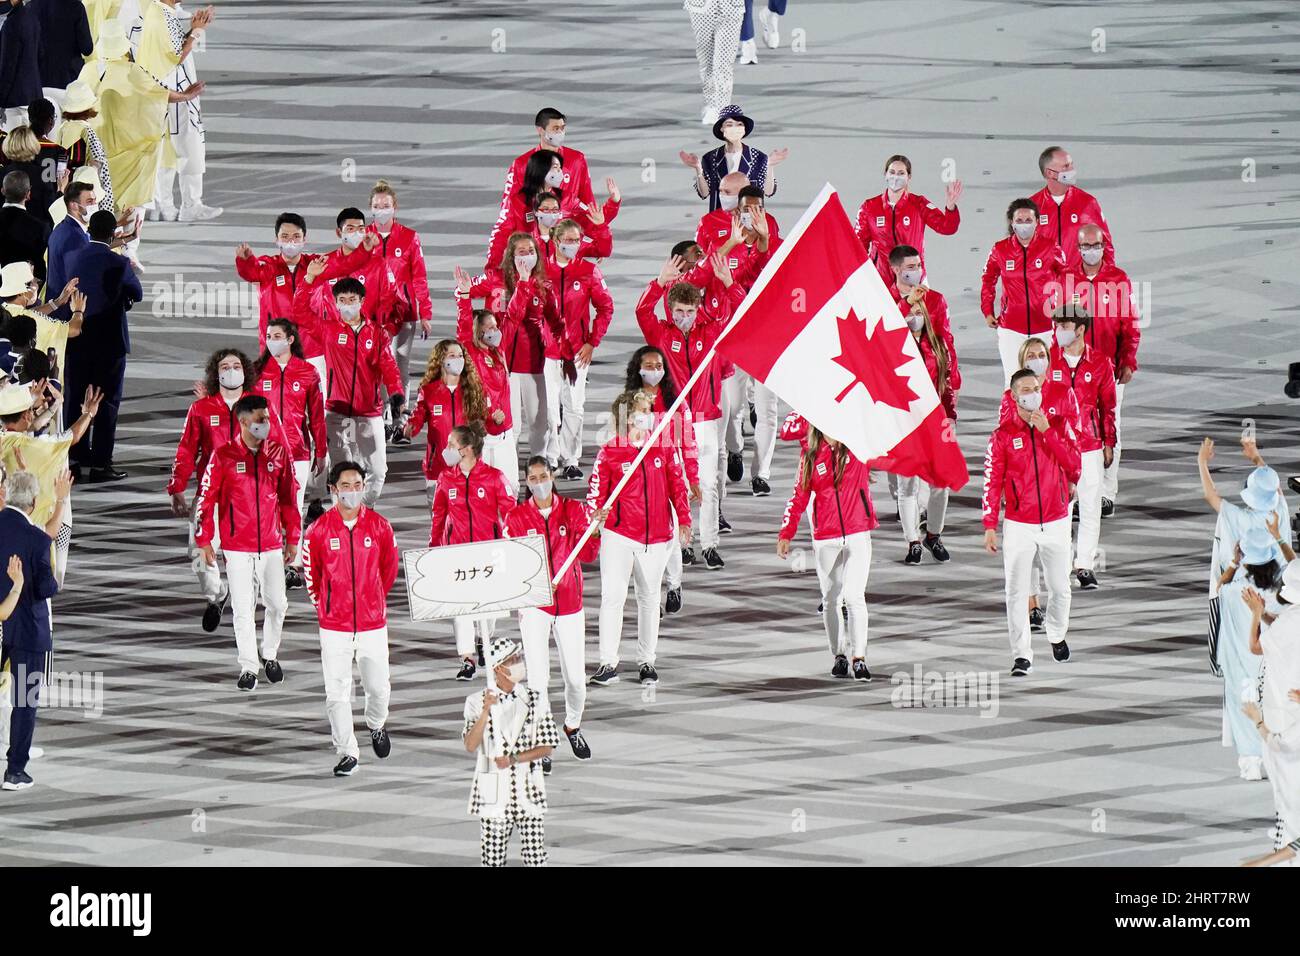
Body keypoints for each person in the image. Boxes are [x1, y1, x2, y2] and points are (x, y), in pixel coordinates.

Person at [168, 347, 288, 631]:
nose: (230, 370)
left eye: (236, 365)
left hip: (250, 498)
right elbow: (186, 451)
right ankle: (216, 596)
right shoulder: (201, 409)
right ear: (215, 373)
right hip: (210, 496)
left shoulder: (260, 408)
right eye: (224, 366)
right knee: (198, 551)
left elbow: (280, 448)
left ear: (245, 372)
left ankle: (250, 616)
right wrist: (177, 487)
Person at [635, 252, 740, 571]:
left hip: (706, 420)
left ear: (698, 310)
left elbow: (742, 314)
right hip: (675, 422)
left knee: (707, 484)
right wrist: (659, 282)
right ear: (671, 310)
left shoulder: (711, 333)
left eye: (689, 312)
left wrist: (729, 283)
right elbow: (641, 311)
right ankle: (683, 544)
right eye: (678, 311)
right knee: (676, 486)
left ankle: (709, 545)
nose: (683, 317)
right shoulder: (662, 335)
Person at [193, 394, 299, 691]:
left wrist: (293, 537)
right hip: (237, 547)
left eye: (266, 418)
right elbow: (206, 500)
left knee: (278, 604)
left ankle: (270, 653)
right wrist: (203, 540)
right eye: (260, 420)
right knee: (243, 607)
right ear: (242, 421)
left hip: (271, 545)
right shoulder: (223, 456)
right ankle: (249, 666)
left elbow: (290, 498)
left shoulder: (278, 453)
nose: (266, 424)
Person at [587, 390, 692, 687]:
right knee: (613, 598)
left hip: (656, 538)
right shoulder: (610, 451)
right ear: (627, 415)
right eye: (642, 410)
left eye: (650, 409)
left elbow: (677, 486)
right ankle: (608, 663)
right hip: (618, 536)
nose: (649, 415)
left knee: (648, 599)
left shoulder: (664, 447)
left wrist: (684, 519)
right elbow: (596, 492)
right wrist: (595, 515)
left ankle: (647, 662)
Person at [302, 460, 399, 777]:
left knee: (379, 688)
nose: (353, 492)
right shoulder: (317, 531)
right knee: (337, 692)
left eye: (358, 485)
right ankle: (347, 751)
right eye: (346, 486)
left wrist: (374, 601)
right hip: (334, 627)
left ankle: (376, 725)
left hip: (373, 624)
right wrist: (326, 607)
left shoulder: (380, 526)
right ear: (333, 489)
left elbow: (389, 569)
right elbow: (311, 575)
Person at [982, 368, 1082, 676]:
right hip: (1019, 524)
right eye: (1024, 389)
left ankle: (1056, 633)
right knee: (1015, 591)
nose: (1032, 392)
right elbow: (992, 479)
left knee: (1060, 588)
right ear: (1014, 396)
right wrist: (989, 523)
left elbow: (1075, 467)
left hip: (1056, 521)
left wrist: (1047, 432)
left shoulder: (1060, 425)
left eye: (1035, 387)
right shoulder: (1002, 435)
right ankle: (1021, 655)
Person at [505, 457, 597, 767]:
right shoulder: (515, 518)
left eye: (544, 475)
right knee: (538, 680)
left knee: (576, 680)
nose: (539, 482)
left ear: (552, 476)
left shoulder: (573, 510)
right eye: (533, 478)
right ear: (527, 483)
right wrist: (536, 585)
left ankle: (572, 725)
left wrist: (595, 531)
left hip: (570, 604)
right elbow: (511, 563)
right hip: (535, 607)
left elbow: (587, 554)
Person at [292, 272, 404, 507]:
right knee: (341, 471)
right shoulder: (328, 330)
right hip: (336, 412)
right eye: (341, 300)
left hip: (369, 413)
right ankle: (341, 515)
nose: (347, 305)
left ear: (362, 301)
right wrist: (309, 279)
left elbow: (389, 366)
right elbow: (299, 310)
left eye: (352, 299)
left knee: (378, 470)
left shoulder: (377, 333)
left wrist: (396, 394)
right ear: (335, 302)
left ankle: (363, 508)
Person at [776, 425, 877, 681]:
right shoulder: (810, 453)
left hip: (857, 532)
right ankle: (839, 655)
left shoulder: (858, 443)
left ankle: (860, 658)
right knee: (831, 599)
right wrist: (786, 533)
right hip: (826, 538)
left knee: (855, 597)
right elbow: (798, 495)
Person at [89, 24, 204, 221]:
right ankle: (127, 244)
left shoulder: (91, 70)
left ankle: (104, 237)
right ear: (124, 48)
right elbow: (161, 94)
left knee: (100, 200)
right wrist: (186, 95)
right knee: (131, 205)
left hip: (98, 146)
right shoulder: (132, 71)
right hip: (129, 148)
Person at [462, 637, 560, 867]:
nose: (519, 663)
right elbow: (469, 745)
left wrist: (514, 759)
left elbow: (548, 746)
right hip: (492, 790)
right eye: (513, 659)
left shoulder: (535, 699)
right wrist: (486, 712)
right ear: (498, 668)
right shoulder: (476, 702)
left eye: (519, 658)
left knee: (535, 858)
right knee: (492, 860)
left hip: (529, 789)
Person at [429, 422, 516, 681]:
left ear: (466, 449)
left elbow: (511, 511)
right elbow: (438, 513)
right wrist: (435, 546)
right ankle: (466, 658)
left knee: (488, 606)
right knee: (461, 608)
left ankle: (483, 639)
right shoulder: (446, 478)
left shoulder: (494, 477)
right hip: (457, 551)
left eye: (451, 445)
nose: (447, 449)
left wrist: (512, 544)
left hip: (488, 551)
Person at [459, 234, 555, 464]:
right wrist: (462, 293)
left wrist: (560, 354)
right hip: (501, 366)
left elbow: (557, 323)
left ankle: (538, 470)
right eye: (521, 251)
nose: (526, 256)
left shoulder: (542, 285)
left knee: (540, 422)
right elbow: (465, 292)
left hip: (533, 363)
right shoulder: (494, 278)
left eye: (530, 251)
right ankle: (505, 470)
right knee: (509, 427)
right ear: (510, 255)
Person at [1067, 223, 1140, 515]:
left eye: (1095, 245)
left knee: (1111, 428)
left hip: (1109, 368)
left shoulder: (1118, 279)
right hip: (1076, 367)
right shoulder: (1067, 279)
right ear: (1078, 248)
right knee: (1075, 430)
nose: (1090, 251)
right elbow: (1058, 324)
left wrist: (1128, 360)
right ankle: (1078, 493)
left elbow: (1130, 325)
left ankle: (1107, 493)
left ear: (1104, 245)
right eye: (1085, 246)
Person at [62, 209, 140, 481]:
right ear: (112, 234)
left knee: (74, 399)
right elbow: (137, 293)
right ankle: (100, 464)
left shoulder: (73, 257)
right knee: (107, 403)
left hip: (77, 339)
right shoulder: (117, 262)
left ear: (89, 231)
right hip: (110, 343)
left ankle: (73, 456)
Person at [622, 346, 700, 615]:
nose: (654, 371)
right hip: (640, 479)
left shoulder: (675, 401)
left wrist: (692, 477)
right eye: (649, 366)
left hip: (671, 473)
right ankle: (650, 598)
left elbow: (688, 441)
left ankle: (674, 584)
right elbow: (621, 442)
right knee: (643, 540)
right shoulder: (628, 402)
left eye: (659, 366)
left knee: (671, 534)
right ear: (638, 368)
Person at [252, 318, 325, 586]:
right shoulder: (257, 373)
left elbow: (316, 416)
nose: (271, 340)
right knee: (269, 506)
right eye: (269, 336)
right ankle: (269, 560)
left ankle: (293, 564)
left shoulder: (307, 372)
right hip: (265, 452)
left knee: (293, 506)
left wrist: (322, 451)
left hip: (298, 450)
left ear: (290, 339)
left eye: (277, 335)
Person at [540, 217, 614, 481]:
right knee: (548, 408)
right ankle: (549, 458)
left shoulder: (588, 271)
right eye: (568, 240)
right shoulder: (541, 272)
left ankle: (571, 459)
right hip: (546, 352)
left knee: (574, 406)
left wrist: (592, 342)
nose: (573, 244)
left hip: (576, 352)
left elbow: (606, 307)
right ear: (555, 240)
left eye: (577, 240)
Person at [1047, 305, 1115, 590]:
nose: (1059, 331)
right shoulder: (1048, 359)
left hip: (1089, 445)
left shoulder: (1100, 362)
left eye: (1065, 326)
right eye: (1057, 326)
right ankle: (1061, 564)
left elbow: (1108, 406)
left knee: (1089, 507)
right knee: (1061, 508)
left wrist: (1109, 442)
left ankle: (1084, 564)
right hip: (1059, 447)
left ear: (1081, 330)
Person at [0, 467, 59, 791]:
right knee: (25, 700)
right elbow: (46, 588)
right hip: (28, 630)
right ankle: (15, 771)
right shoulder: (38, 540)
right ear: (34, 502)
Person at [132, 1, 219, 221]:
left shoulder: (156, 12)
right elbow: (175, 56)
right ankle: (190, 205)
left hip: (163, 89)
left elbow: (171, 47)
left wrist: (194, 28)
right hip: (177, 88)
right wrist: (198, 32)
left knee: (164, 148)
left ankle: (163, 205)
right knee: (189, 143)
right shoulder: (163, 15)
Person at [1215, 525, 1286, 780]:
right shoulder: (1281, 593)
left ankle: (1251, 761)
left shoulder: (1234, 592)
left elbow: (1217, 587)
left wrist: (1234, 564)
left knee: (1243, 707)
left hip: (1239, 661)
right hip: (1273, 664)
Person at [1243, 561, 1300, 852]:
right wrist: (1264, 614)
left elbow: (1255, 646)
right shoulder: (1291, 619)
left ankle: (1286, 839)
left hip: (1284, 708)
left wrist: (1255, 615)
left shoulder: (1291, 621)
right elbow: (1279, 626)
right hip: (1295, 705)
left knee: (1284, 776)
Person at [897, 292, 958, 564]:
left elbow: (947, 386)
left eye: (918, 312)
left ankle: (934, 534)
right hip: (905, 424)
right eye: (909, 314)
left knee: (940, 484)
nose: (914, 318)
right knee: (907, 487)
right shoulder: (893, 348)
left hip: (935, 423)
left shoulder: (938, 347)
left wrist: (951, 415)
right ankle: (913, 542)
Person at [366, 179, 431, 431]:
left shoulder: (409, 238)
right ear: (371, 208)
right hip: (372, 315)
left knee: (400, 361)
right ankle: (381, 411)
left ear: (395, 207)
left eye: (386, 205)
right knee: (378, 363)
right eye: (377, 205)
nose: (382, 209)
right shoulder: (365, 238)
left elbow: (419, 277)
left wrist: (425, 313)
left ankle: (401, 414)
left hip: (403, 313)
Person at [981, 197, 1066, 384]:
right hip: (1011, 328)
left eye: (1029, 220)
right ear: (1012, 223)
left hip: (1046, 327)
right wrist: (987, 310)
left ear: (1037, 222)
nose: (1024, 225)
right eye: (1019, 221)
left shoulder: (1051, 248)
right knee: (1012, 381)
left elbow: (1068, 278)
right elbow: (988, 279)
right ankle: (1010, 415)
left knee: (1047, 383)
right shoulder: (1000, 250)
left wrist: (1063, 313)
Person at [854, 155, 962, 287]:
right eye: (892, 172)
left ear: (908, 177)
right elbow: (858, 246)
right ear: (885, 174)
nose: (895, 177)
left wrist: (950, 207)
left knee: (924, 307)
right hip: (880, 282)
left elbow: (947, 227)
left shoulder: (919, 204)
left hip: (913, 279)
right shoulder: (869, 207)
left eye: (901, 173)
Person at [405, 338, 489, 502]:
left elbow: (482, 422)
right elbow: (418, 416)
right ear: (441, 360)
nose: (458, 359)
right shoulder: (428, 391)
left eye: (460, 355)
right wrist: (410, 428)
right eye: (452, 355)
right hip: (438, 467)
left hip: (468, 465)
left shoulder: (472, 390)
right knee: (438, 522)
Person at [452, 293, 517, 495]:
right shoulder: (470, 354)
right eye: (490, 328)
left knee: (511, 490)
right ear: (478, 331)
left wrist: (523, 281)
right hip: (483, 437)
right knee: (481, 494)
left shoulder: (498, 351)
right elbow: (463, 327)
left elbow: (514, 315)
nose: (496, 331)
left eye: (496, 326)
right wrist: (464, 296)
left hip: (505, 434)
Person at [234, 212, 325, 349]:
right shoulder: (268, 266)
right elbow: (251, 272)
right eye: (285, 236)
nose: (291, 241)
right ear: (276, 240)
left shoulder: (316, 264)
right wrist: (246, 261)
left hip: (313, 349)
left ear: (304, 239)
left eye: (296, 236)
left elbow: (343, 263)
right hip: (276, 348)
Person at [679, 104, 787, 210]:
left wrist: (770, 166)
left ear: (744, 129)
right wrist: (698, 168)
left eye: (739, 124)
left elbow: (768, 192)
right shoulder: (711, 158)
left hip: (750, 218)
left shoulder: (758, 157)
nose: (735, 128)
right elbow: (704, 193)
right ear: (722, 129)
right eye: (729, 125)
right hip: (719, 218)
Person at [1030, 146, 1114, 271]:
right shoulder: (1031, 207)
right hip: (1044, 285)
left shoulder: (1087, 203)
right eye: (1066, 166)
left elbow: (1106, 247)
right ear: (1050, 173)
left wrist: (1107, 278)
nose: (1072, 170)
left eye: (1071, 165)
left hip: (1077, 283)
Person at [499, 108, 594, 215]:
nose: (560, 132)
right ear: (540, 130)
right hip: (535, 227)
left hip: (568, 228)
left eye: (562, 128)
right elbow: (508, 207)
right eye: (555, 128)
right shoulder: (521, 164)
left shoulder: (576, 159)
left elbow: (588, 201)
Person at [685, 0, 744, 125]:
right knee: (706, 61)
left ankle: (723, 110)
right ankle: (711, 104)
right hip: (701, 8)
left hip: (731, 8)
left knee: (724, 64)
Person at [0, 121, 64, 233]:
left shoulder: (2, 173)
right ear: (32, 144)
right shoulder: (42, 175)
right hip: (35, 235)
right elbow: (52, 210)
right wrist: (61, 189)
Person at [36, 0, 93, 112]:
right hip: (69, 82)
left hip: (38, 82)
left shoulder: (30, 8)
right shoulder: (76, 7)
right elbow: (87, 49)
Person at [45, 181, 94, 304]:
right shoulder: (74, 237)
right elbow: (77, 279)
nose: (94, 205)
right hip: (68, 311)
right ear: (74, 205)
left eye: (94, 200)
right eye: (89, 202)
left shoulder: (65, 227)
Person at [0, 0, 41, 131]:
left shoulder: (11, 24)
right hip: (33, 96)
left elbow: (7, 68)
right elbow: (41, 54)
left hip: (14, 103)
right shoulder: (32, 18)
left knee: (14, 149)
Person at [0, 170, 48, 279]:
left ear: (3, 191)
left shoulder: (41, 227)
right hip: (25, 290)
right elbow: (40, 267)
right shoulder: (40, 228)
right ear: (28, 194)